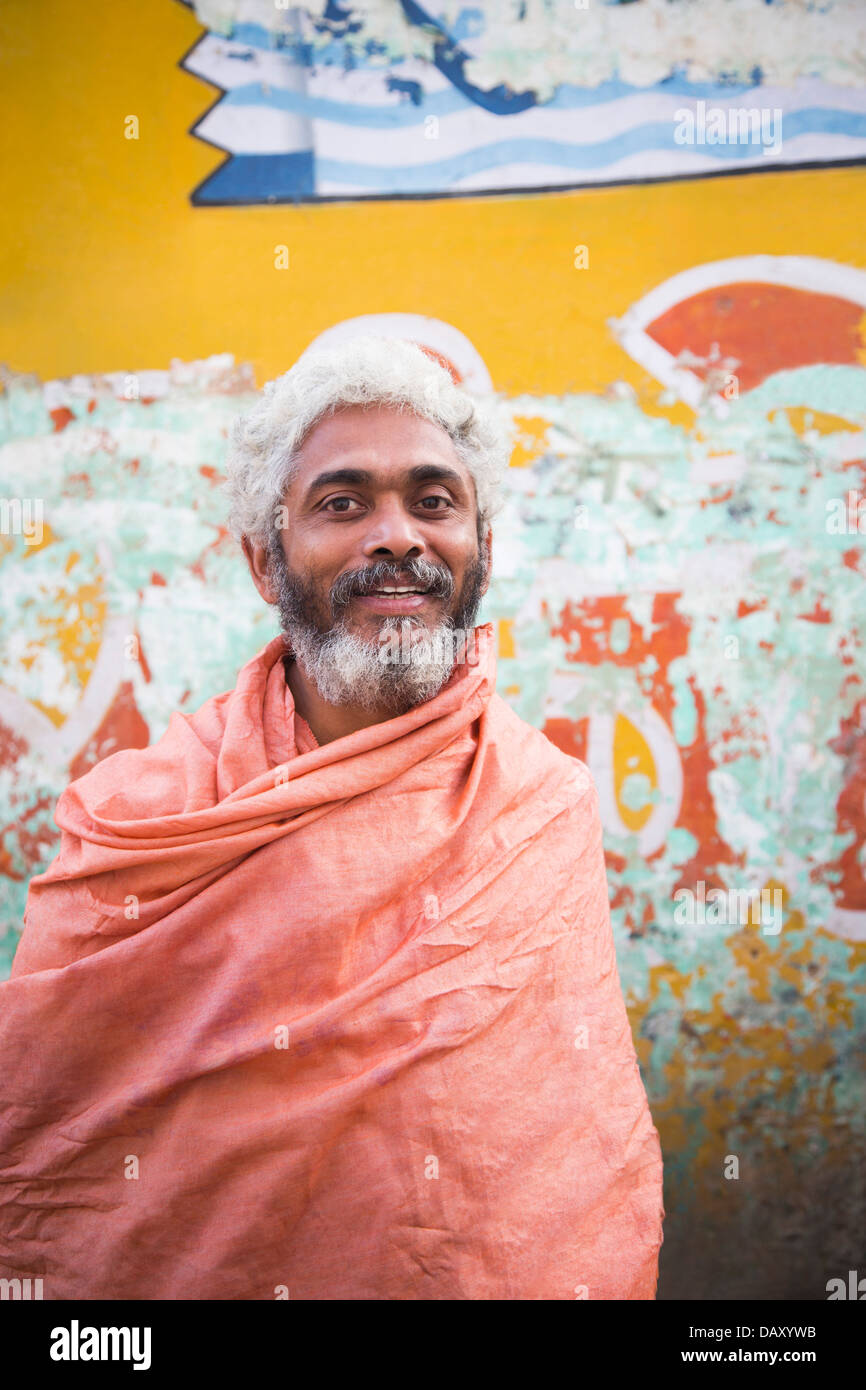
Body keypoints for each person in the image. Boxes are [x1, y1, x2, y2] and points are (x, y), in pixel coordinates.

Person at [0, 336, 664, 1300]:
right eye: (342, 503)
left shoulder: (538, 800)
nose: (396, 535)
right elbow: (56, 1139)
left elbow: (564, 1144)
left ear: (483, 551)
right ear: (267, 564)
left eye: (434, 501)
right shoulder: (138, 824)